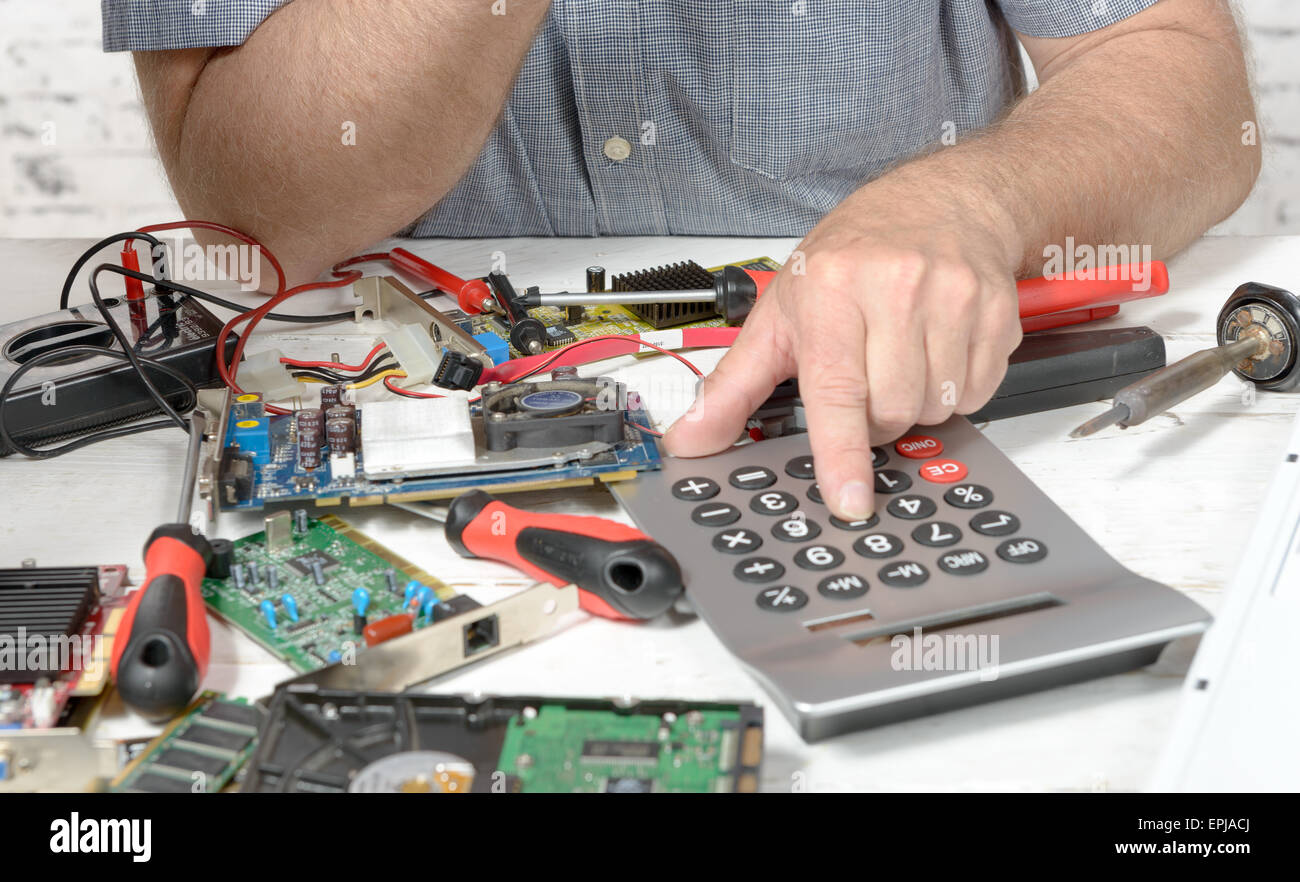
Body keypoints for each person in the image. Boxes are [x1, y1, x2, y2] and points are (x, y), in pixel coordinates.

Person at [104, 0, 1259, 520]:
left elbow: (1185, 83)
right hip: (397, 444)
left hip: (896, 431)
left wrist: (975, 201)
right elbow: (257, 218)